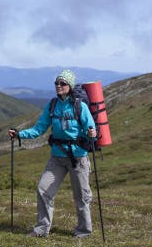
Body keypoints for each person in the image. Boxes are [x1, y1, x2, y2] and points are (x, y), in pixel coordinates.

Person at [8, 69, 97, 238]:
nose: (58, 86)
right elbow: (39, 129)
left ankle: (84, 231)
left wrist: (92, 133)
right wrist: (19, 134)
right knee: (43, 189)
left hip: (78, 157)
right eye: (56, 83)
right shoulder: (53, 105)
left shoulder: (80, 106)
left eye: (62, 83)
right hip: (57, 156)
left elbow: (90, 128)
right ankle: (42, 229)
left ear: (69, 86)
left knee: (81, 196)